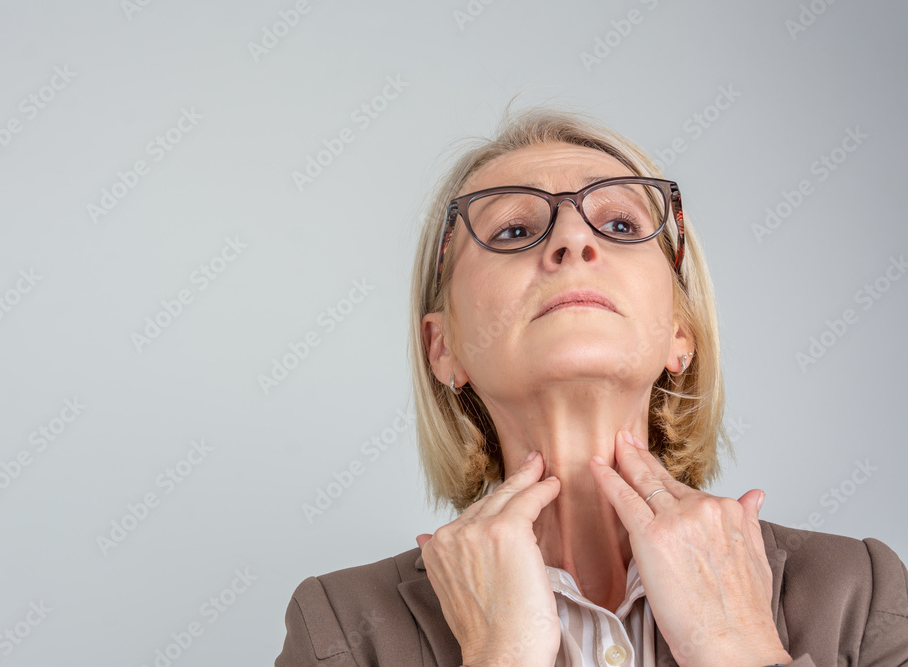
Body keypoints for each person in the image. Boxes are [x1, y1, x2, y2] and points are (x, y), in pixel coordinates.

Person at [275, 107, 908, 666]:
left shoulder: (863, 590)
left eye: (622, 227)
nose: (573, 240)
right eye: (515, 231)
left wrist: (735, 646)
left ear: (680, 336)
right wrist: (502, 657)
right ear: (444, 348)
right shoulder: (340, 629)